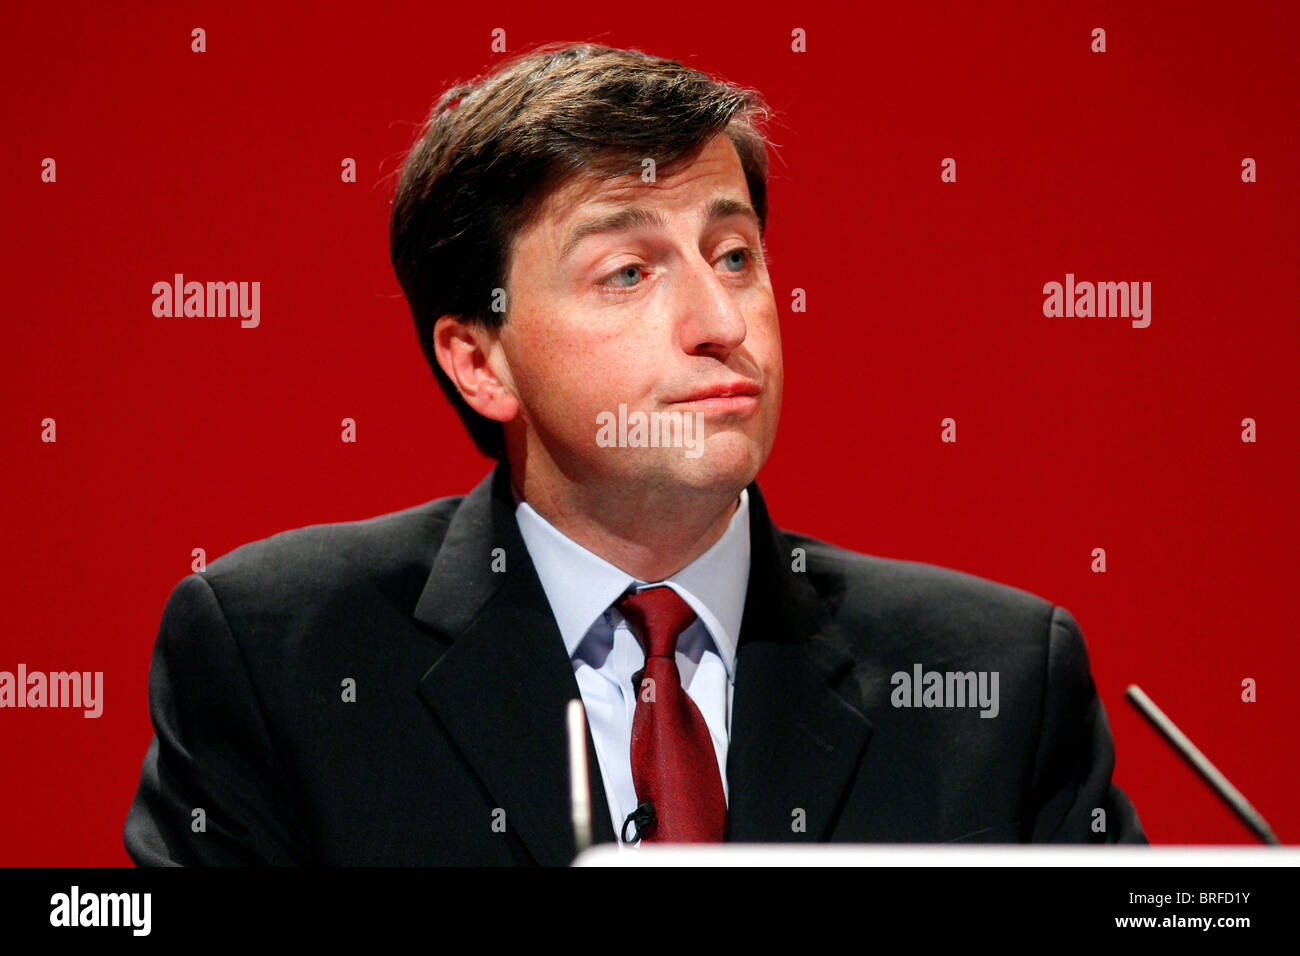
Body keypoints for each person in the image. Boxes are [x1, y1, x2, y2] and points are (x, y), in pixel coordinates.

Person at [124, 41, 1145, 865]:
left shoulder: (994, 676)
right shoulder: (284, 656)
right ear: (480, 361)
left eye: (734, 255)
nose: (718, 318)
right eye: (626, 271)